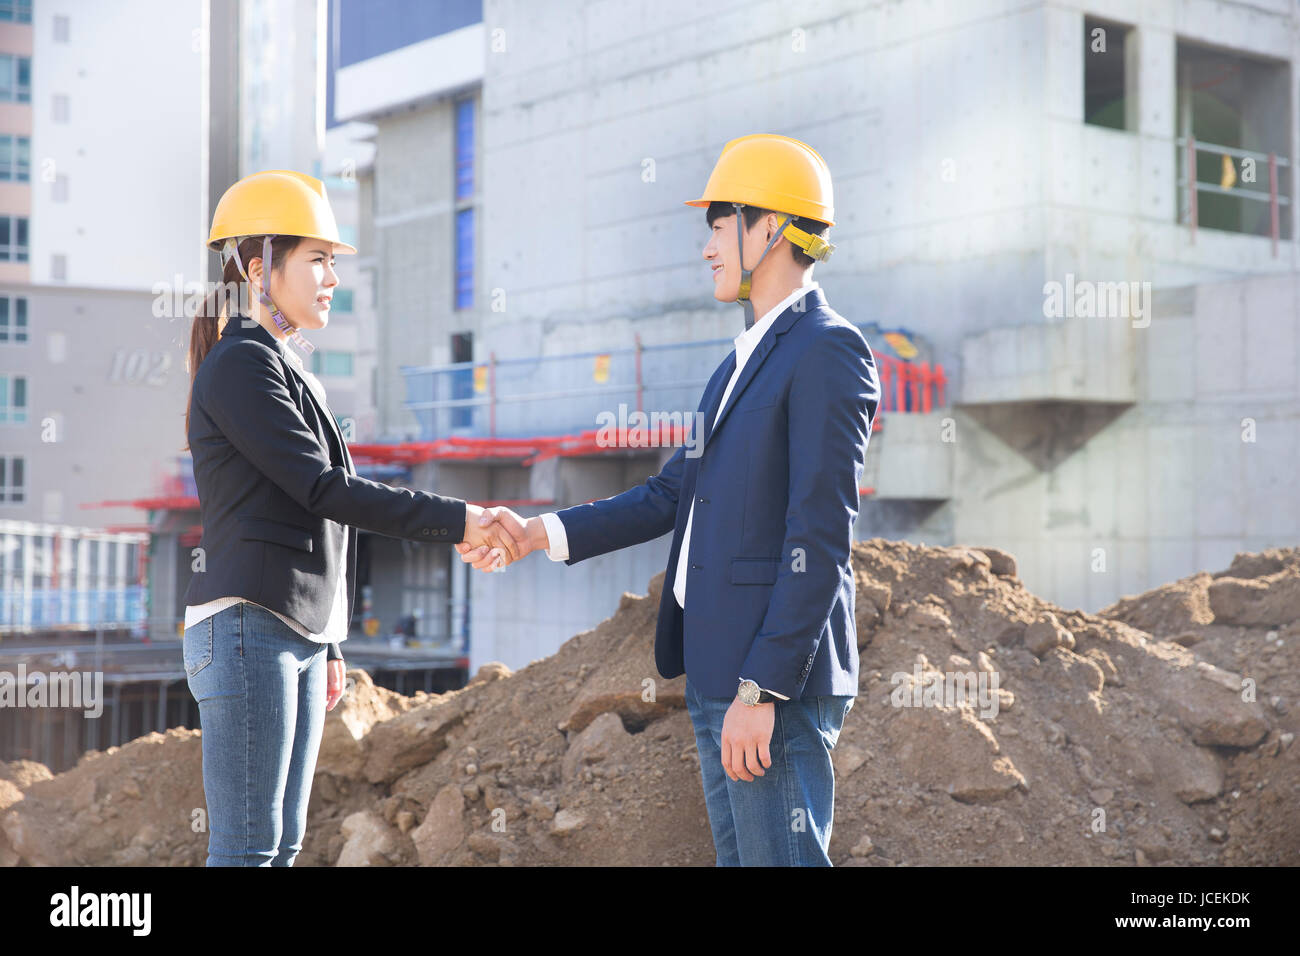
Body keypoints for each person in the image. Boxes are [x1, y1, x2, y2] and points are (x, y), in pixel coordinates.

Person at [457, 134, 881, 865]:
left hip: (767, 680)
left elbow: (819, 536)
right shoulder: (736, 366)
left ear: (771, 227)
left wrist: (763, 690)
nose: (709, 246)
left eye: (720, 225)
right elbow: (668, 497)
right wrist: (537, 533)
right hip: (718, 671)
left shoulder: (827, 351)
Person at [181, 169, 524, 866]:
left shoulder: (284, 364)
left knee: (281, 845)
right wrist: (459, 519)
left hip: (294, 633)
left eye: (333, 261)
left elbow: (315, 510)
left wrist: (330, 640)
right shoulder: (242, 364)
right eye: (317, 259)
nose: (332, 277)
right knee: (247, 848)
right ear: (259, 266)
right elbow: (324, 490)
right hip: (249, 626)